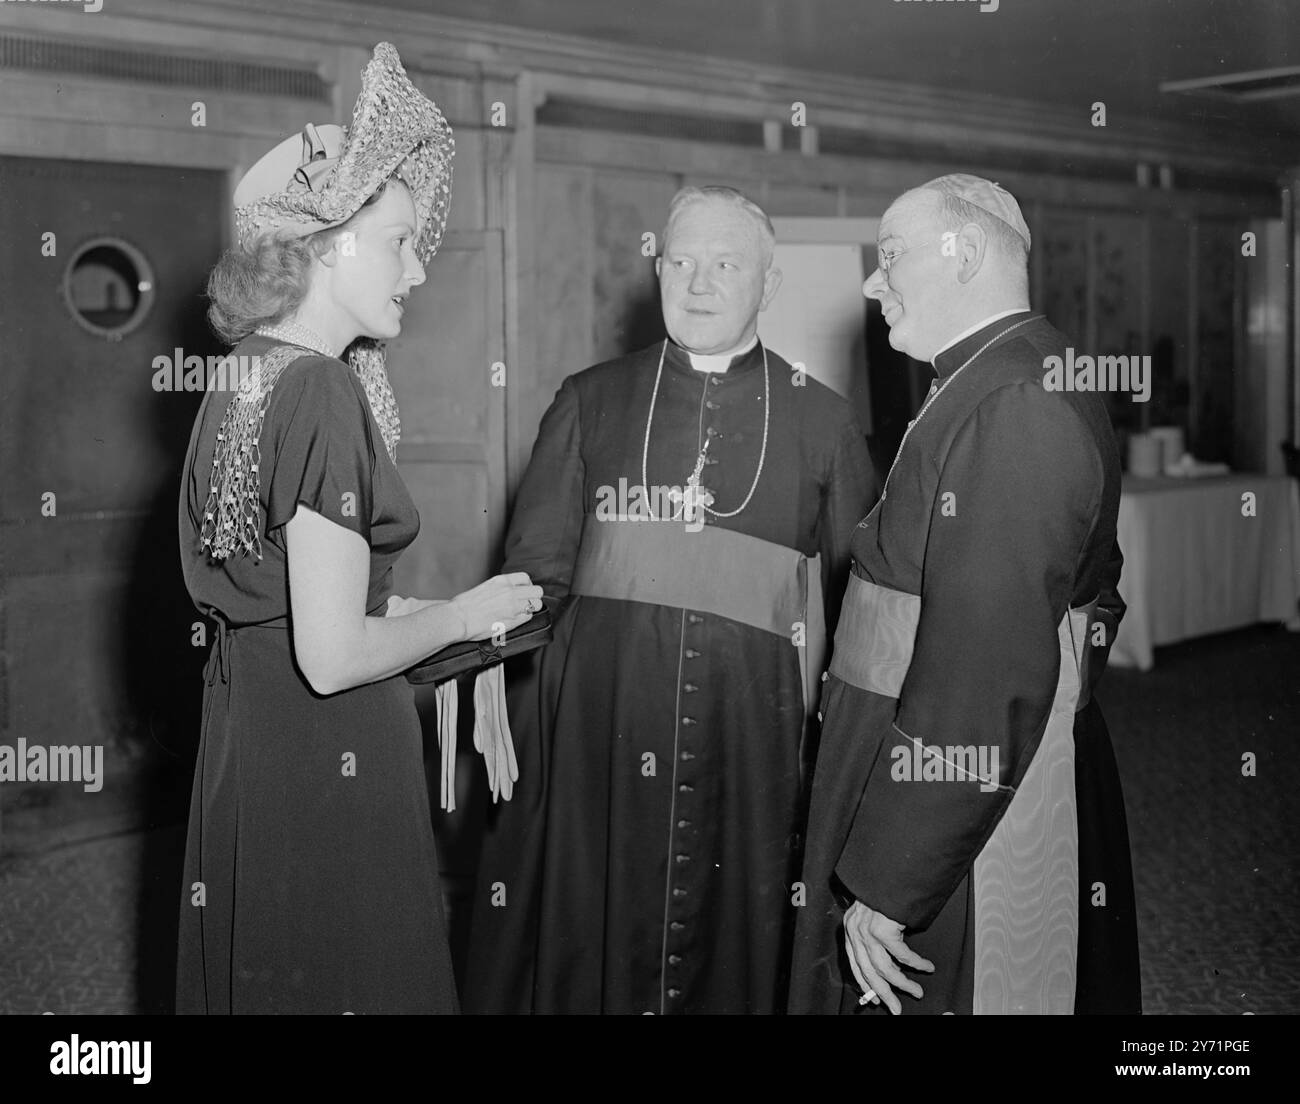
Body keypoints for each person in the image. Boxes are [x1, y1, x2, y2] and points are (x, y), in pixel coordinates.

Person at [175, 43, 542, 1014]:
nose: (417, 269)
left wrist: (413, 608)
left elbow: (283, 597)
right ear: (326, 243)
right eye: (398, 242)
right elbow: (334, 656)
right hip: (326, 744)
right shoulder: (325, 392)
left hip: (252, 742)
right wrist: (461, 618)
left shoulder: (249, 371)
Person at [464, 186, 877, 1014]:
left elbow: (859, 609)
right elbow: (535, 575)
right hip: (598, 736)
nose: (697, 284)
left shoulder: (825, 423)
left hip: (753, 736)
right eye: (679, 262)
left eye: (724, 265)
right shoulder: (589, 400)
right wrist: (456, 659)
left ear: (768, 280)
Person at [789, 173, 1139, 1015]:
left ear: (968, 250)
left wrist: (894, 876)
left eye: (892, 255)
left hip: (953, 781)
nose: (873, 282)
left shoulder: (1013, 400)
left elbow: (986, 668)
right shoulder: (1008, 371)